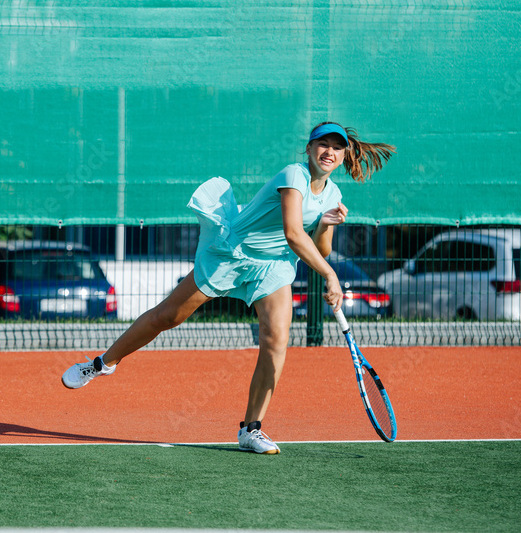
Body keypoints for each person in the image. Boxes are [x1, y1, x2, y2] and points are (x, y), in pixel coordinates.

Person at [61, 122, 395, 454]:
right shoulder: (294, 175)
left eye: (337, 147)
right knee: (168, 317)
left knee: (277, 340)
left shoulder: (333, 195)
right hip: (233, 253)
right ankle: (102, 363)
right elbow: (294, 233)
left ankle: (252, 428)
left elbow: (319, 249)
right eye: (323, 144)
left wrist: (324, 223)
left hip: (273, 267)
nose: (329, 152)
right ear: (308, 149)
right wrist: (331, 276)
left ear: (344, 154)